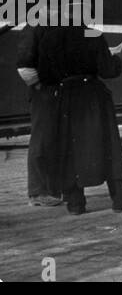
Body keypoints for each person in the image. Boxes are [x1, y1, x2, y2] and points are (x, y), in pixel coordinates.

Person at [17, 26, 122, 215]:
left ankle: (75, 204)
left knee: (69, 149)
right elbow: (108, 70)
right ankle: (121, 199)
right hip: (92, 97)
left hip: (62, 98)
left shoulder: (48, 35)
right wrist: (116, 59)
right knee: (110, 148)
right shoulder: (92, 33)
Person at [15, 25, 61, 206]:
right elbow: (24, 66)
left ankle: (50, 189)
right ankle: (38, 192)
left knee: (52, 139)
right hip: (44, 91)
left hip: (54, 88)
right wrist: (41, 84)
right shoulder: (34, 28)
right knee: (42, 139)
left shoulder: (51, 26)